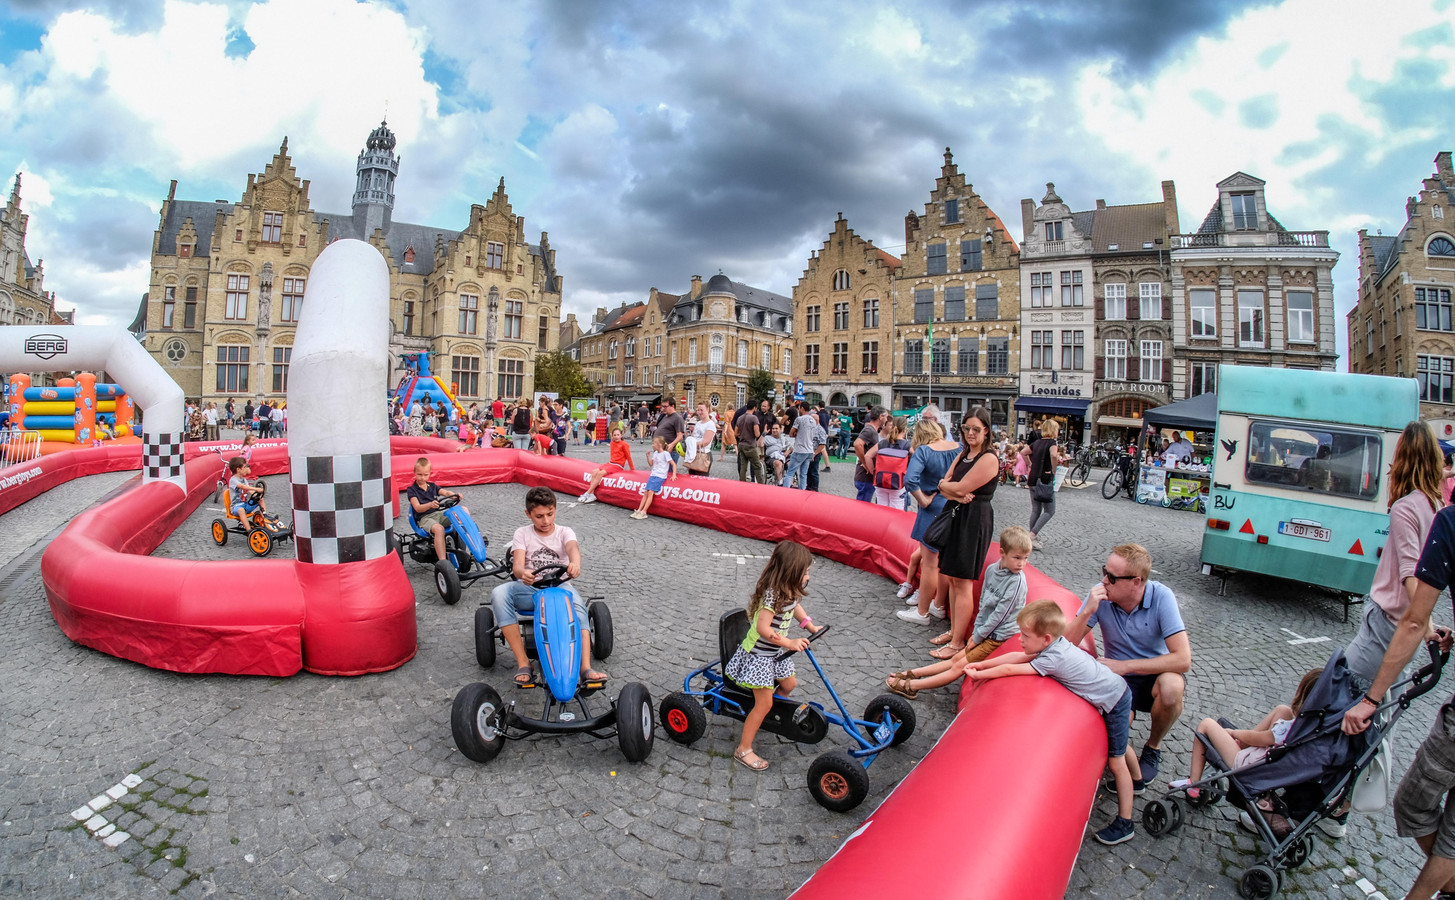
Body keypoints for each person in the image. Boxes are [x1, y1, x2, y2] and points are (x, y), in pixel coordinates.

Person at [966, 600, 1145, 846]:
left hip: (1114, 699)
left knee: (1116, 760)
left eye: (1025, 635)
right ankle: (1138, 781)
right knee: (1121, 742)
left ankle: (1126, 822)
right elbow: (1018, 656)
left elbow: (1010, 670)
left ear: (1046, 638)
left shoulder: (1052, 659)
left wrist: (979, 675)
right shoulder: (1055, 645)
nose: (1020, 639)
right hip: (1115, 689)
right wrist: (983, 663)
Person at [1063, 543, 1192, 787]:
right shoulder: (1102, 596)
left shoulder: (1162, 597)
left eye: (1112, 577)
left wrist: (1125, 666)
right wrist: (1087, 611)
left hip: (1153, 672)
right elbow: (1064, 646)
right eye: (1105, 571)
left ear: (1136, 582)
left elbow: (1183, 659)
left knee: (1172, 687)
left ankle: (1153, 747)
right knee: (1116, 726)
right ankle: (1122, 761)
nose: (1104, 580)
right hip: (1120, 680)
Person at [886, 526, 1031, 699]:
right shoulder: (992, 570)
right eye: (1017, 558)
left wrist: (979, 636)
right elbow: (984, 603)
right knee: (954, 660)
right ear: (1002, 553)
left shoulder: (1016, 582)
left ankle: (912, 686)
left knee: (958, 666)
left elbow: (1001, 615)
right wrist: (978, 631)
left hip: (997, 636)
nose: (1021, 564)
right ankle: (912, 674)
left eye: (1025, 558)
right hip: (985, 631)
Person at [489, 486, 606, 687]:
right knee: (499, 593)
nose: (546, 521)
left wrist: (575, 563)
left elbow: (573, 548)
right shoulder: (522, 533)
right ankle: (524, 663)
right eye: (539, 516)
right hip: (531, 590)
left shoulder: (564, 532)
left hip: (560, 588)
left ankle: (585, 668)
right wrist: (522, 574)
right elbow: (517, 565)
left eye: (550, 514)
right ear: (528, 514)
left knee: (579, 610)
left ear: (555, 510)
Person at [725, 540, 822, 771]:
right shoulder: (772, 596)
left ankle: (770, 715)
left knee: (789, 684)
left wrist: (810, 626)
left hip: (774, 652)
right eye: (805, 572)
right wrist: (789, 642)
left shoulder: (790, 591)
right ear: (792, 571)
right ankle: (743, 749)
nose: (808, 576)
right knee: (764, 703)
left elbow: (795, 608)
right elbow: (762, 628)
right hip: (758, 655)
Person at [1170, 669, 1324, 801]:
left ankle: (1194, 783)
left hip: (1250, 767)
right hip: (1269, 764)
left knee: (1206, 724)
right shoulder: (1312, 731)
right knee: (1283, 710)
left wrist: (1234, 733)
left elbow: (1259, 739)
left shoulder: (1287, 729)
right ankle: (1241, 744)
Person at [925, 407, 1000, 659]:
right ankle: (954, 632)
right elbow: (944, 484)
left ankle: (957, 642)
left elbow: (960, 486)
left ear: (986, 430)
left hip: (973, 520)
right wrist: (952, 491)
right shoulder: (964, 454)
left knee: (963, 581)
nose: (970, 433)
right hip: (956, 515)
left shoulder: (988, 458)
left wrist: (951, 489)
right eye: (966, 428)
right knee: (953, 578)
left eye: (976, 429)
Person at [898, 419, 960, 624]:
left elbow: (910, 479)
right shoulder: (958, 447)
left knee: (930, 563)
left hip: (932, 508)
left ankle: (922, 611)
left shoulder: (924, 451)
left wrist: (923, 500)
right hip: (954, 506)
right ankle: (939, 605)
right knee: (945, 560)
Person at [406, 457, 463, 562]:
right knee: (439, 529)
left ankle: (470, 549)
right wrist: (430, 505)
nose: (422, 478)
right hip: (424, 518)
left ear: (429, 474)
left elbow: (445, 492)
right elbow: (417, 508)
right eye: (419, 474)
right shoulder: (412, 490)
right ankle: (443, 562)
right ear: (414, 473)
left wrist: (454, 495)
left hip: (438, 515)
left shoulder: (432, 486)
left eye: (425, 475)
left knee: (462, 511)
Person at [1025, 419, 1064, 550]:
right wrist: (1054, 469)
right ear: (1053, 430)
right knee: (1049, 511)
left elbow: (1023, 452)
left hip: (1032, 479)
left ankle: (1032, 538)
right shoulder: (1052, 443)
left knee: (1036, 509)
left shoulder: (1037, 442)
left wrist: (1030, 464)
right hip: (1044, 479)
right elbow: (1053, 455)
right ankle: (1032, 535)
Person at [580, 427, 635, 502]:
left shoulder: (624, 444)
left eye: (618, 435)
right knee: (594, 472)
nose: (616, 437)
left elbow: (628, 457)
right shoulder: (612, 443)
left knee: (600, 474)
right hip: (611, 463)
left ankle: (588, 492)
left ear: (621, 435)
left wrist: (632, 470)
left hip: (618, 465)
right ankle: (592, 494)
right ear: (612, 436)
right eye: (614, 435)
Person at [866, 416, 911, 509]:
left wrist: (873, 471)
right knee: (897, 512)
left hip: (881, 481)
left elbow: (868, 456)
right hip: (898, 483)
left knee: (881, 510)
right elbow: (917, 457)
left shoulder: (883, 443)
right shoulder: (907, 445)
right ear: (905, 429)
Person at [632, 436, 676, 520]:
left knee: (651, 492)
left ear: (659, 445)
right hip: (653, 475)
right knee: (646, 492)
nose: (652, 445)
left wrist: (674, 475)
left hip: (660, 476)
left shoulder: (665, 454)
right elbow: (651, 464)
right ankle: (639, 509)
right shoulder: (655, 453)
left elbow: (673, 464)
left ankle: (644, 511)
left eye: (654, 443)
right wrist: (648, 457)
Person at [852, 406, 888, 502]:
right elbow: (857, 444)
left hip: (867, 477)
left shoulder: (872, 430)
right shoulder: (870, 430)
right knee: (863, 505)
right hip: (865, 476)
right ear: (881, 417)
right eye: (886, 417)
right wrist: (865, 463)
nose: (886, 420)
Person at [785, 401, 818, 489]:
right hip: (810, 450)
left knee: (790, 473)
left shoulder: (799, 419)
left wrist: (796, 433)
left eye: (799, 408)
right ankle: (802, 492)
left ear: (802, 408)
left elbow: (791, 433)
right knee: (803, 474)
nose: (798, 410)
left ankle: (785, 492)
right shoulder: (813, 421)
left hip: (800, 449)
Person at [735, 404, 764, 483]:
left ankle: (742, 483)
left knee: (743, 466)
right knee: (757, 466)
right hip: (750, 445)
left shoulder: (740, 418)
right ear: (754, 408)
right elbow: (757, 434)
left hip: (741, 444)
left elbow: (735, 433)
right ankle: (761, 484)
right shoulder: (754, 418)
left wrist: (742, 434)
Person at [653, 398, 685, 464]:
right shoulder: (664, 416)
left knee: (669, 469)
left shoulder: (677, 418)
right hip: (660, 451)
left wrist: (672, 445)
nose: (663, 409)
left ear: (672, 406)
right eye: (662, 406)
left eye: (665, 406)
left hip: (670, 452)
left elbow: (680, 436)